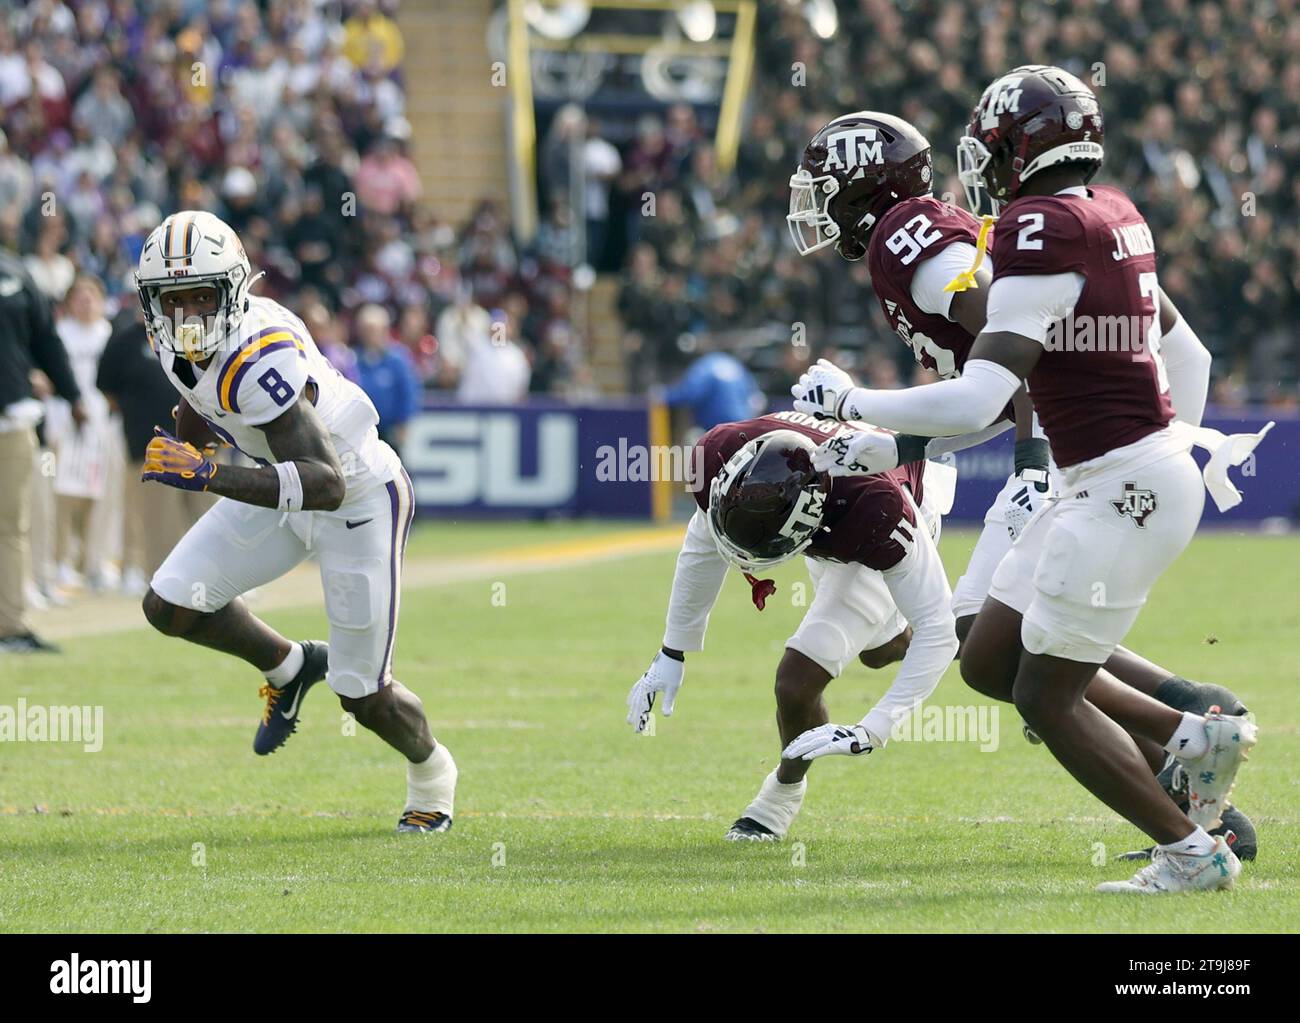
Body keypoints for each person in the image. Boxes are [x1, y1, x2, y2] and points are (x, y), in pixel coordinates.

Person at [790, 67, 1271, 893]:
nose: (976, 159)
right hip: (1119, 475)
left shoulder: (1013, 229)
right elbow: (1188, 355)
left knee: (1047, 696)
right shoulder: (1112, 210)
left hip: (1102, 481)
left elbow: (992, 381)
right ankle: (1192, 734)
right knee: (989, 656)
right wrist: (1173, 445)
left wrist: (852, 400)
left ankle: (1194, 823)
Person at [133, 210, 457, 834]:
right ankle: (289, 665)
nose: (190, 315)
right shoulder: (176, 341)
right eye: (175, 301)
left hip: (356, 499)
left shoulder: (259, 356)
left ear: (232, 291)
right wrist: (192, 447)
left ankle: (433, 775)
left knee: (362, 696)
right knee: (171, 604)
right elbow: (199, 399)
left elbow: (327, 483)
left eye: (203, 297)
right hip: (281, 483)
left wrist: (205, 476)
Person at [626, 412, 959, 841]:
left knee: (797, 680)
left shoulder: (877, 512)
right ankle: (989, 645)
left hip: (897, 493)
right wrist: (672, 650)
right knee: (879, 649)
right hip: (836, 501)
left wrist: (876, 728)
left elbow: (938, 626)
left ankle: (777, 799)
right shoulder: (718, 452)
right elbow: (704, 540)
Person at [0, 246, 84, 653]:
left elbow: (44, 340)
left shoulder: (15, 273)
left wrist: (72, 394)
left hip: (11, 419)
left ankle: (10, 626)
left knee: (11, 525)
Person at [353, 303, 422, 450]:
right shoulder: (352, 358)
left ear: (385, 330)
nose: (368, 334)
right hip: (360, 433)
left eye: (372, 329)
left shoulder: (398, 360)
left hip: (389, 432)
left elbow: (408, 393)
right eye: (365, 329)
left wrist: (403, 424)